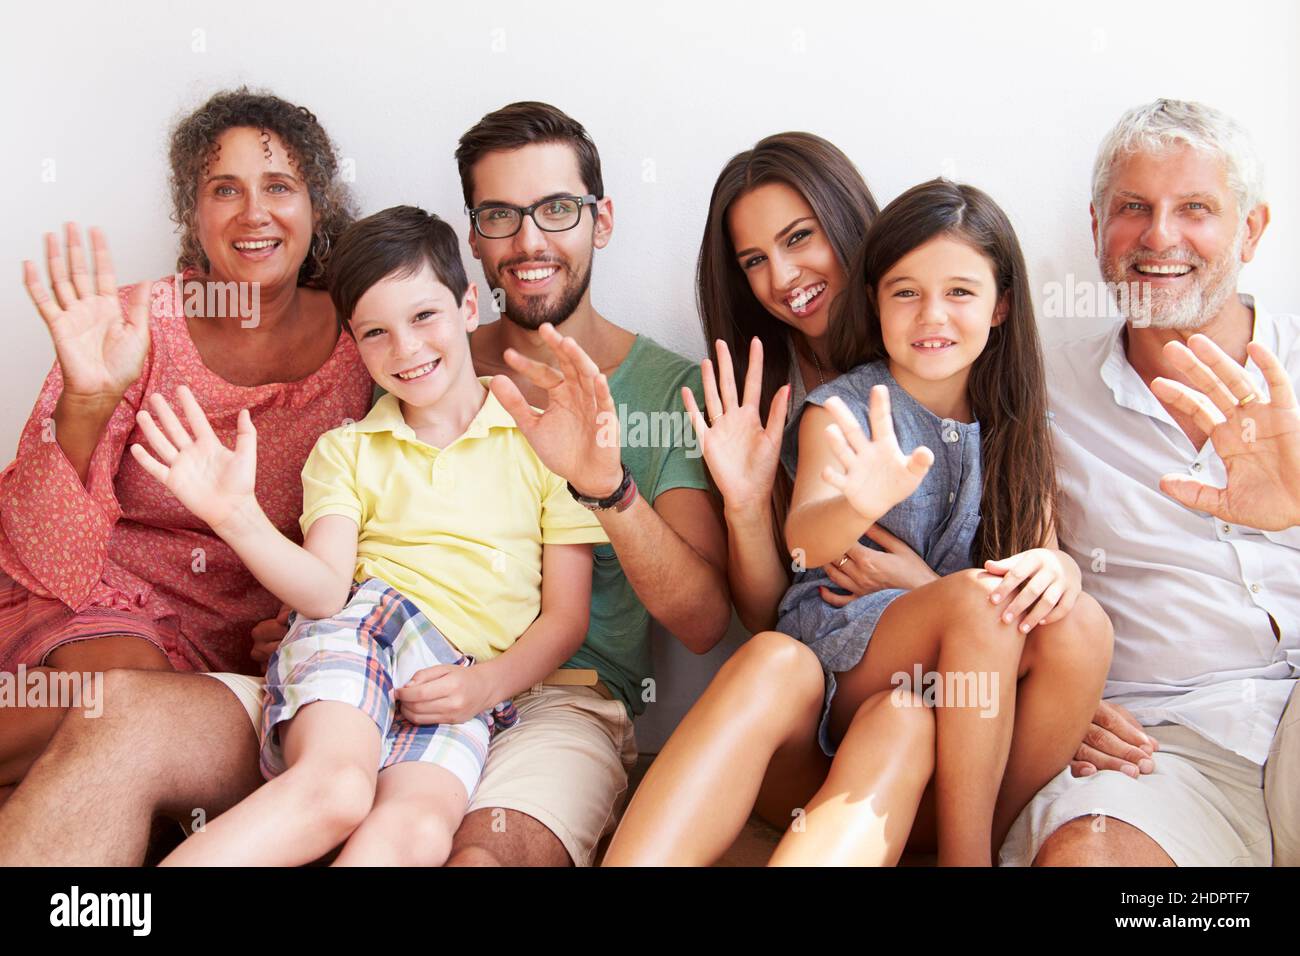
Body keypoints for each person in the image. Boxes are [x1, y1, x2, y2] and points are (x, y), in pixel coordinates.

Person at [0, 101, 731, 868]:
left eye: (555, 209)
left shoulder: (657, 392)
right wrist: (294, 599)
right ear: (472, 240)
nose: (529, 240)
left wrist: (605, 486)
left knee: (460, 851)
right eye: (499, 215)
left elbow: (698, 620)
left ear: (600, 218)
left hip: (550, 696)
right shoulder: (397, 365)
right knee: (127, 720)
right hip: (349, 656)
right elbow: (333, 552)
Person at [129, 206, 604, 866]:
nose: (405, 349)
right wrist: (235, 517)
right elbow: (324, 591)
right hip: (363, 628)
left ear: (469, 306)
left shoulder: (545, 441)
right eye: (376, 333)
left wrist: (487, 686)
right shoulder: (347, 450)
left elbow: (566, 618)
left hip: (459, 682)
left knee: (414, 832)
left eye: (423, 317)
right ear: (354, 341)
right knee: (337, 789)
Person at [0, 88, 370, 803]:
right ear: (193, 214)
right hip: (94, 600)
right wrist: (88, 398)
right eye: (223, 189)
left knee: (88, 761)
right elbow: (41, 548)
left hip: (249, 644)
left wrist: (304, 615)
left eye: (279, 187)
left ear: (315, 208)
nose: (253, 212)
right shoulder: (135, 324)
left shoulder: (366, 342)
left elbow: (393, 505)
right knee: (117, 692)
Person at [608, 133, 941, 866]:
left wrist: (927, 591)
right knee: (772, 657)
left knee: (904, 716)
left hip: (931, 725)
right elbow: (767, 616)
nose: (782, 276)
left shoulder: (936, 353)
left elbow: (1017, 577)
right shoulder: (762, 400)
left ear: (846, 222)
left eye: (799, 238)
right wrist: (746, 501)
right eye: (754, 260)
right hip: (802, 731)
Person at [999, 99, 1300, 868]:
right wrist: (1057, 699)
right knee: (1085, 859)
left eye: (1194, 208)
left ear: (1252, 230)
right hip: (1156, 748)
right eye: (1135, 208)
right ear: (1098, 227)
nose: (1160, 237)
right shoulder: (1041, 394)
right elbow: (1005, 579)